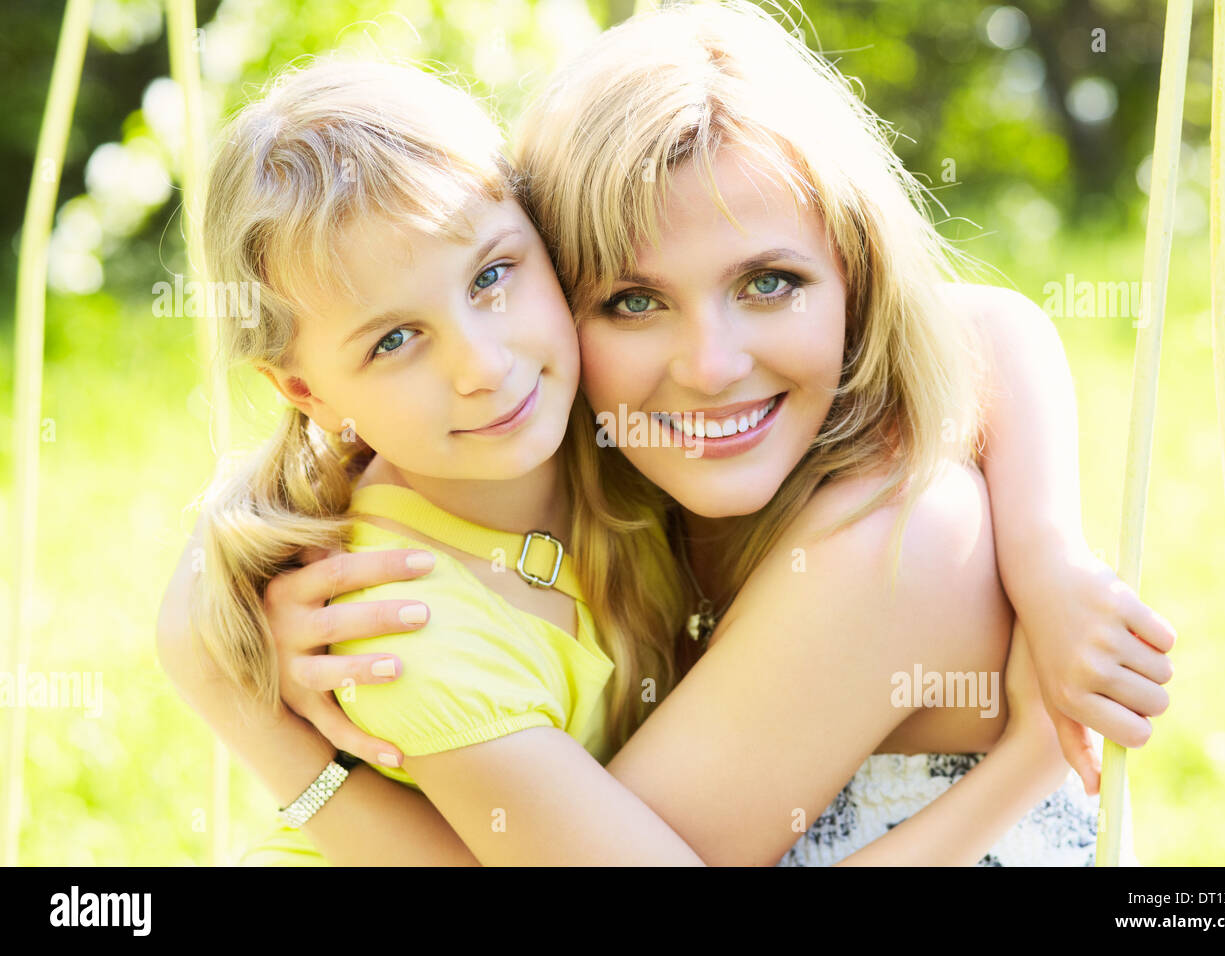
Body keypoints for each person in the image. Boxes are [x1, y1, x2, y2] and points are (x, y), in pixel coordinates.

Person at [159, 2, 1168, 866]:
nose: (712, 363)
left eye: (770, 282)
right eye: (635, 301)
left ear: (861, 279)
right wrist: (241, 681)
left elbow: (984, 319)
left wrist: (1048, 551)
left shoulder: (899, 532)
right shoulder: (445, 570)